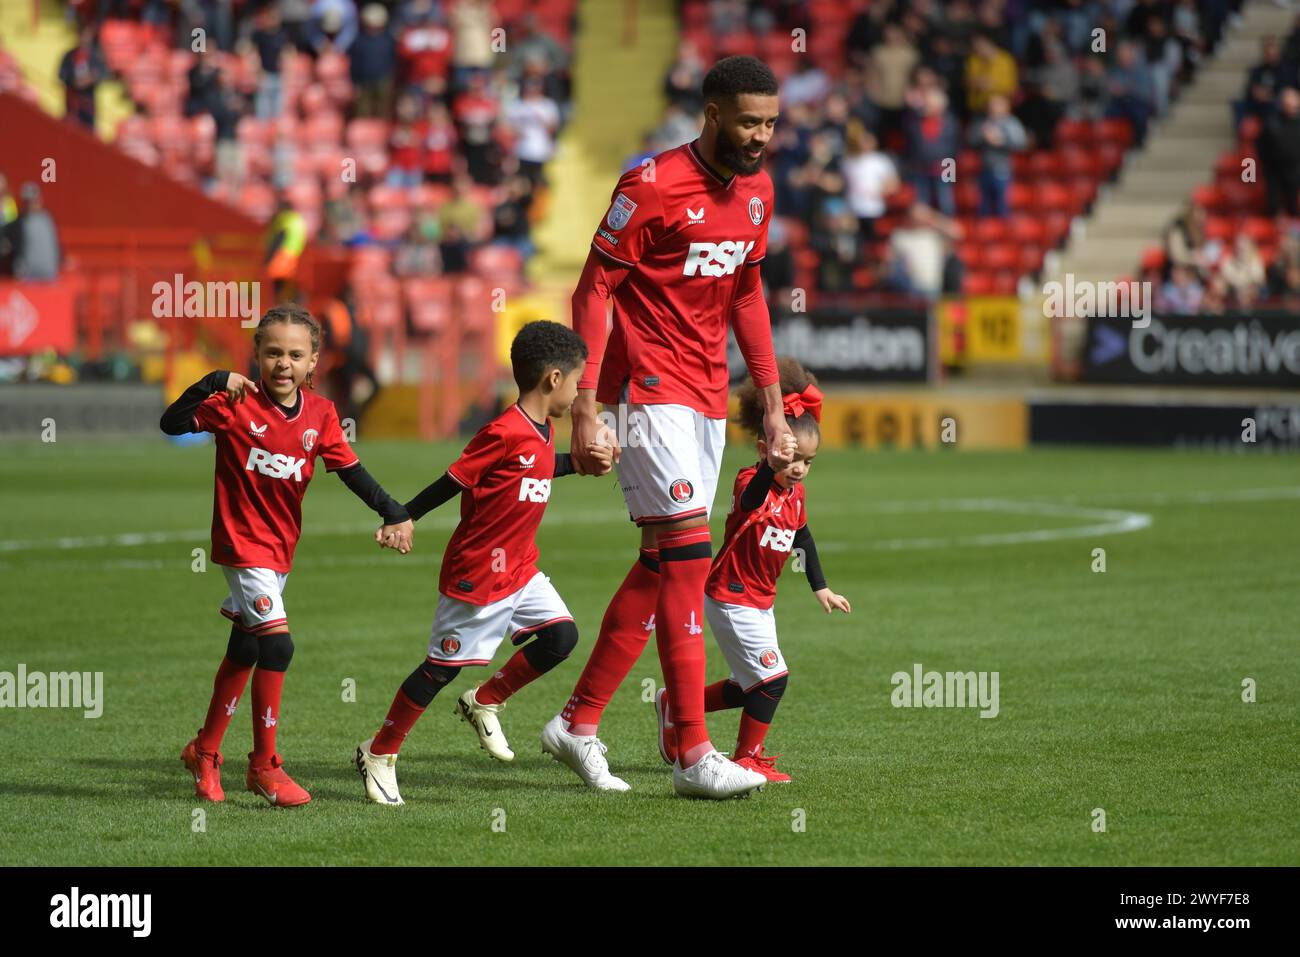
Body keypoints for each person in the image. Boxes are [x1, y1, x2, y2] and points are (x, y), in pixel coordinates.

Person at [540, 55, 796, 800]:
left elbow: (747, 292)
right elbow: (594, 285)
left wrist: (771, 399)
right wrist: (586, 401)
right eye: (749, 121)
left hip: (708, 395)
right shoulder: (649, 185)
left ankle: (578, 723)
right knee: (688, 552)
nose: (761, 136)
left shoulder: (759, 191)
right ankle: (691, 750)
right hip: (642, 389)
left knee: (662, 561)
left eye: (771, 123)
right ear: (712, 114)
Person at [160, 305, 413, 806]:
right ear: (255, 355)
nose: (283, 364)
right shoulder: (235, 403)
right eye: (273, 352)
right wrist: (212, 380)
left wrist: (394, 511)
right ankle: (263, 767)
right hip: (242, 547)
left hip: (278, 553)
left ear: (314, 360)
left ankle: (206, 751)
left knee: (246, 649)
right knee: (279, 647)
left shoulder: (319, 414)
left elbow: (352, 471)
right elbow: (171, 422)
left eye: (295, 355)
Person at [355, 321, 611, 805]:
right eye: (577, 382)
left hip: (521, 568)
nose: (580, 393)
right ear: (554, 379)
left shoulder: (539, 429)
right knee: (439, 669)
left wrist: (578, 464)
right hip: (478, 574)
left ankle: (486, 699)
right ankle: (379, 752)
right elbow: (453, 479)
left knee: (561, 637)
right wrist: (402, 516)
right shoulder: (503, 430)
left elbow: (532, 467)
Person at [655, 358, 851, 783]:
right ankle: (747, 757)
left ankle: (675, 704)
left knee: (750, 685)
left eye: (808, 461)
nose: (799, 468)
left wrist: (822, 588)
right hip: (730, 596)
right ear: (767, 450)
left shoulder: (796, 496)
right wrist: (768, 466)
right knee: (773, 679)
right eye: (792, 457)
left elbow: (804, 539)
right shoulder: (752, 481)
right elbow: (750, 501)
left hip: (760, 603)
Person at [8, 183, 62, 281]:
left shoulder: (47, 219)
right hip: (29, 278)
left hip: (49, 276)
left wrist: (62, 259)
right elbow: (16, 248)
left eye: (35, 200)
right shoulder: (19, 222)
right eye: (29, 201)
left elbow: (54, 244)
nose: (33, 204)